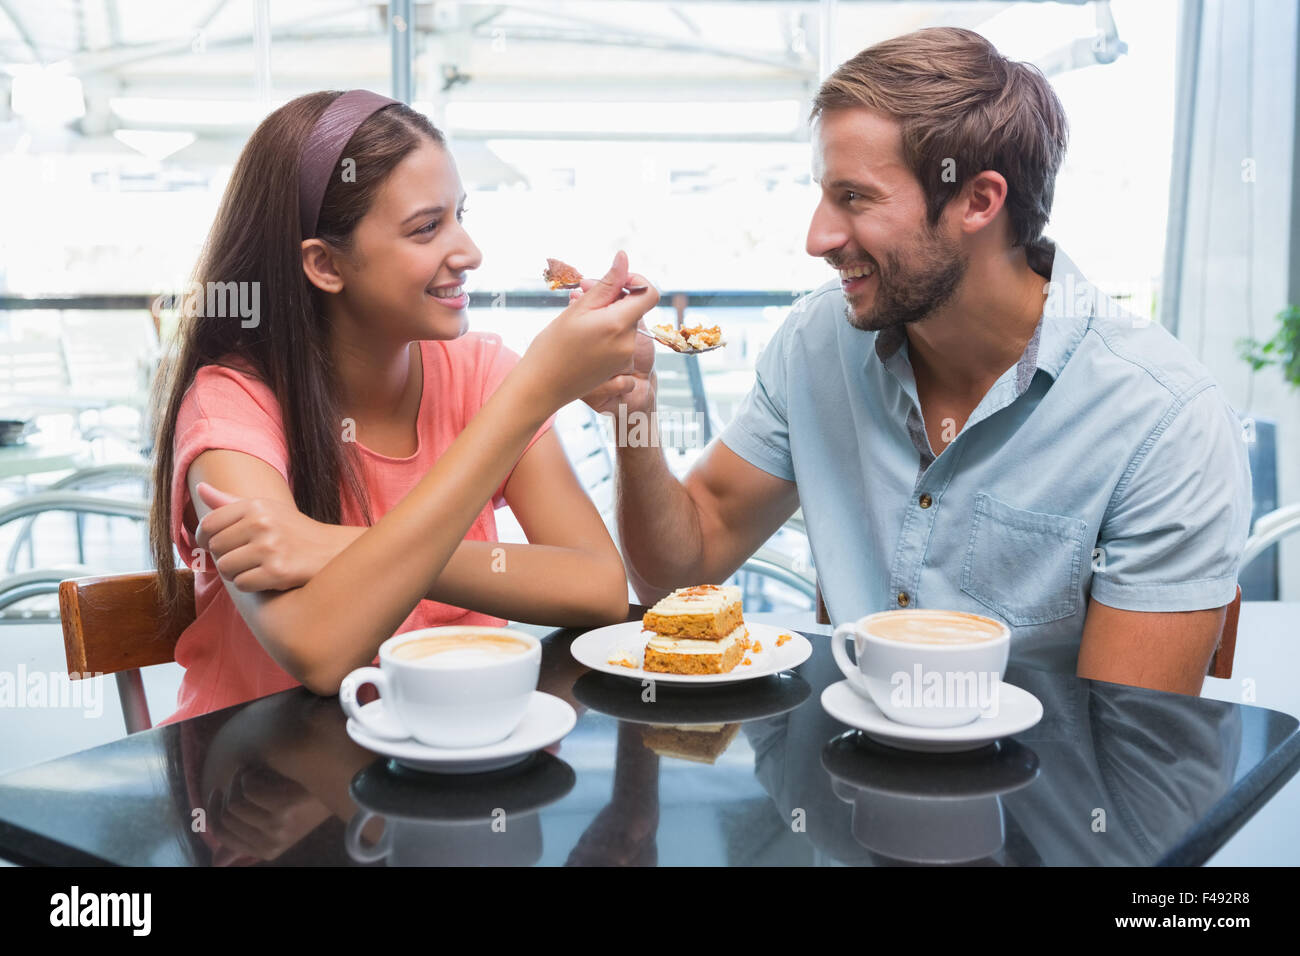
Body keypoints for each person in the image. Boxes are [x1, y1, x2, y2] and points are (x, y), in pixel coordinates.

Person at [584, 28, 1252, 696]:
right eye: (823, 194)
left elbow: (1122, 749)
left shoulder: (1165, 423)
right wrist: (633, 417)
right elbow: (676, 577)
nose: (817, 237)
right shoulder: (818, 342)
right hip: (837, 777)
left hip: (1036, 798)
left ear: (978, 200)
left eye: (854, 198)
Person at [149, 90, 658, 724]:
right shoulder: (231, 408)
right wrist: (531, 395)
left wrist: (332, 545)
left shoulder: (478, 375)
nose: (468, 252)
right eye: (427, 228)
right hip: (263, 789)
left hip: (450, 756)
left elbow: (599, 588)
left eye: (460, 216)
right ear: (325, 264)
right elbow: (321, 650)